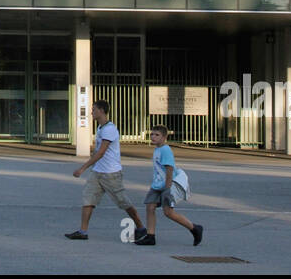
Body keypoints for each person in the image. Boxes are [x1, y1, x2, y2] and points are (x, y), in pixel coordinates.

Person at [65, 100, 144, 240]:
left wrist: (82, 168)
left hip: (111, 173)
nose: (91, 112)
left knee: (122, 201)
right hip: (98, 172)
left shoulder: (109, 129)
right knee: (88, 198)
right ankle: (83, 231)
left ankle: (140, 227)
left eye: (93, 109)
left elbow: (101, 152)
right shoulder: (101, 128)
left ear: (101, 110)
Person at [134, 125, 202, 247]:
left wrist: (167, 187)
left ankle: (194, 228)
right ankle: (150, 236)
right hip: (157, 185)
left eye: (157, 135)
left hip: (167, 185)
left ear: (164, 137)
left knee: (168, 212)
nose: (153, 137)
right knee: (150, 206)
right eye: (152, 134)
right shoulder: (157, 149)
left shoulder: (165, 150)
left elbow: (169, 169)